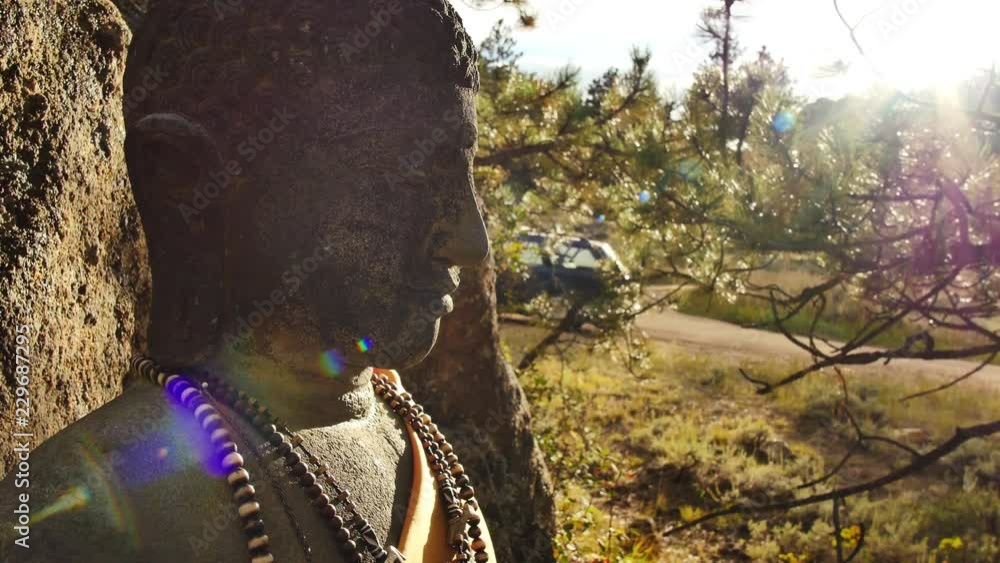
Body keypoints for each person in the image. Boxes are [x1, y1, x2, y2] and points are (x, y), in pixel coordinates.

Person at [0, 1, 495, 561]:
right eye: (407, 176)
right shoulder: (75, 520)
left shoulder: (416, 441)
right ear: (185, 183)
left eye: (464, 174)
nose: (470, 242)